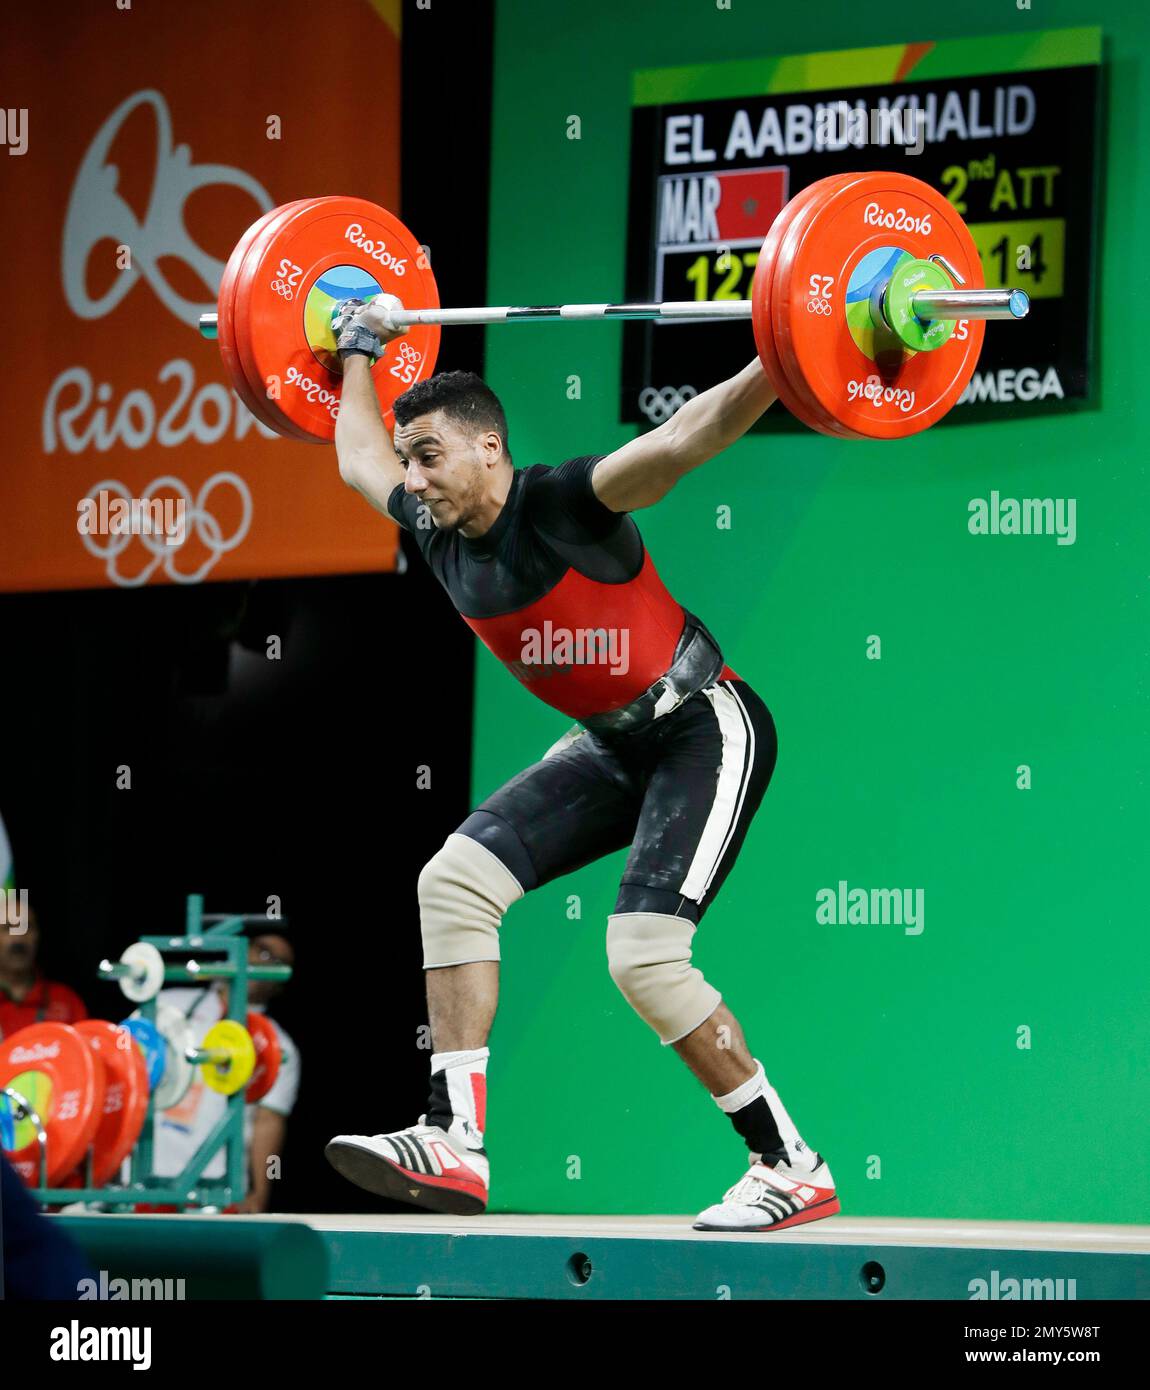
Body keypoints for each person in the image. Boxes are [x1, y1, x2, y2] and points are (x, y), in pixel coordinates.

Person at [323, 296, 837, 1233]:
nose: (412, 476)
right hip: (611, 743)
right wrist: (357, 349)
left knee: (642, 958)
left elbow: (686, 436)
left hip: (702, 724)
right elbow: (357, 454)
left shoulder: (565, 501)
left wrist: (790, 354)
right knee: (454, 882)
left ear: (489, 448)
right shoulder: (434, 529)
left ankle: (788, 1164)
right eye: (411, 459)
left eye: (428, 455)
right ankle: (456, 1138)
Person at [138, 932, 300, 1214]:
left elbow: (268, 1122)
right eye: (262, 951)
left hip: (217, 1193)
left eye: (278, 961)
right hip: (141, 1180)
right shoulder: (166, 1005)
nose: (265, 963)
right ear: (242, 949)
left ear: (280, 983)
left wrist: (259, 1194)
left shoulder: (279, 1047)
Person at [0, 899, 88, 1040]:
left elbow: (84, 1056)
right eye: (7, 927)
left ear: (38, 935)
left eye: (27, 927)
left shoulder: (66, 1000)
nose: (18, 938)